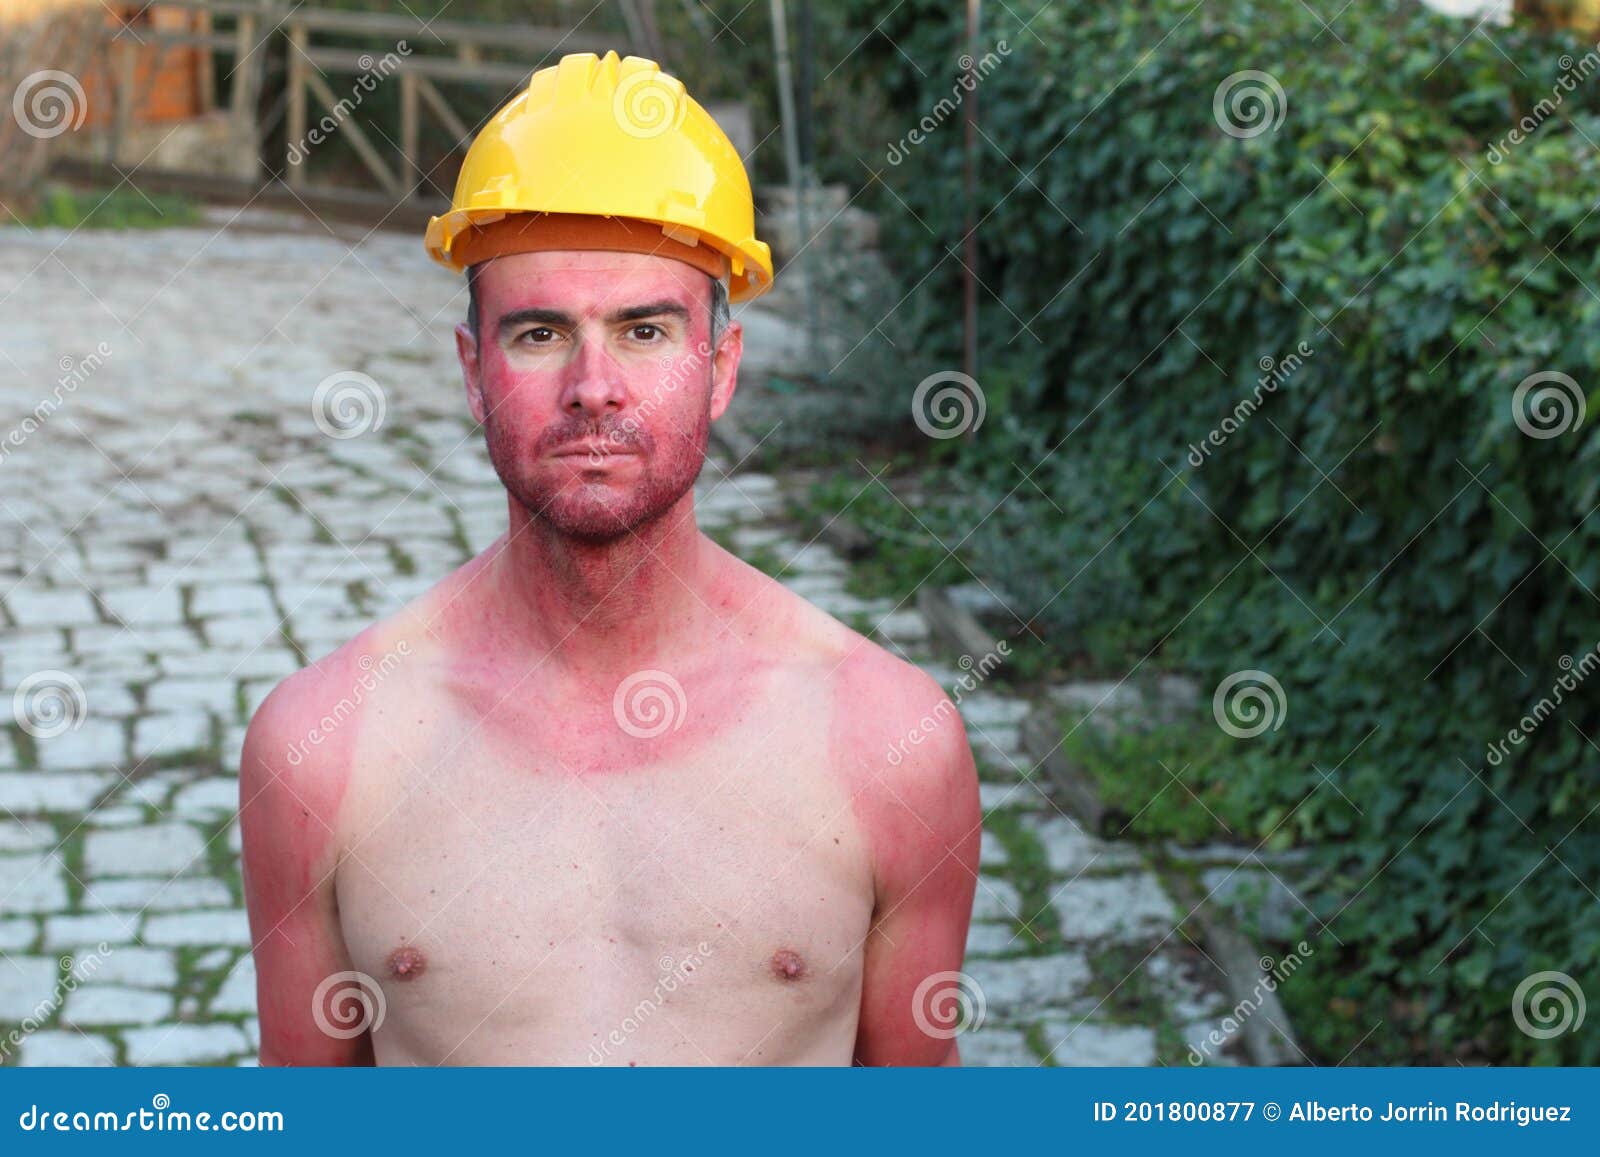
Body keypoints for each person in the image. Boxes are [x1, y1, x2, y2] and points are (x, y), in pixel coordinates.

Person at [239, 50, 980, 1066]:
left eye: (644, 329)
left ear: (720, 365)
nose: (594, 385)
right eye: (541, 331)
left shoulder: (892, 745)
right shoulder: (322, 752)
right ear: (472, 369)